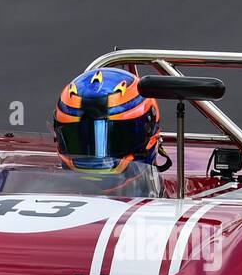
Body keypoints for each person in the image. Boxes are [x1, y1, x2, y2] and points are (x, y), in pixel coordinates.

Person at [51, 67, 166, 196]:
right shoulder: (43, 191)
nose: (96, 160)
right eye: (82, 139)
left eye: (118, 138)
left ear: (149, 133)